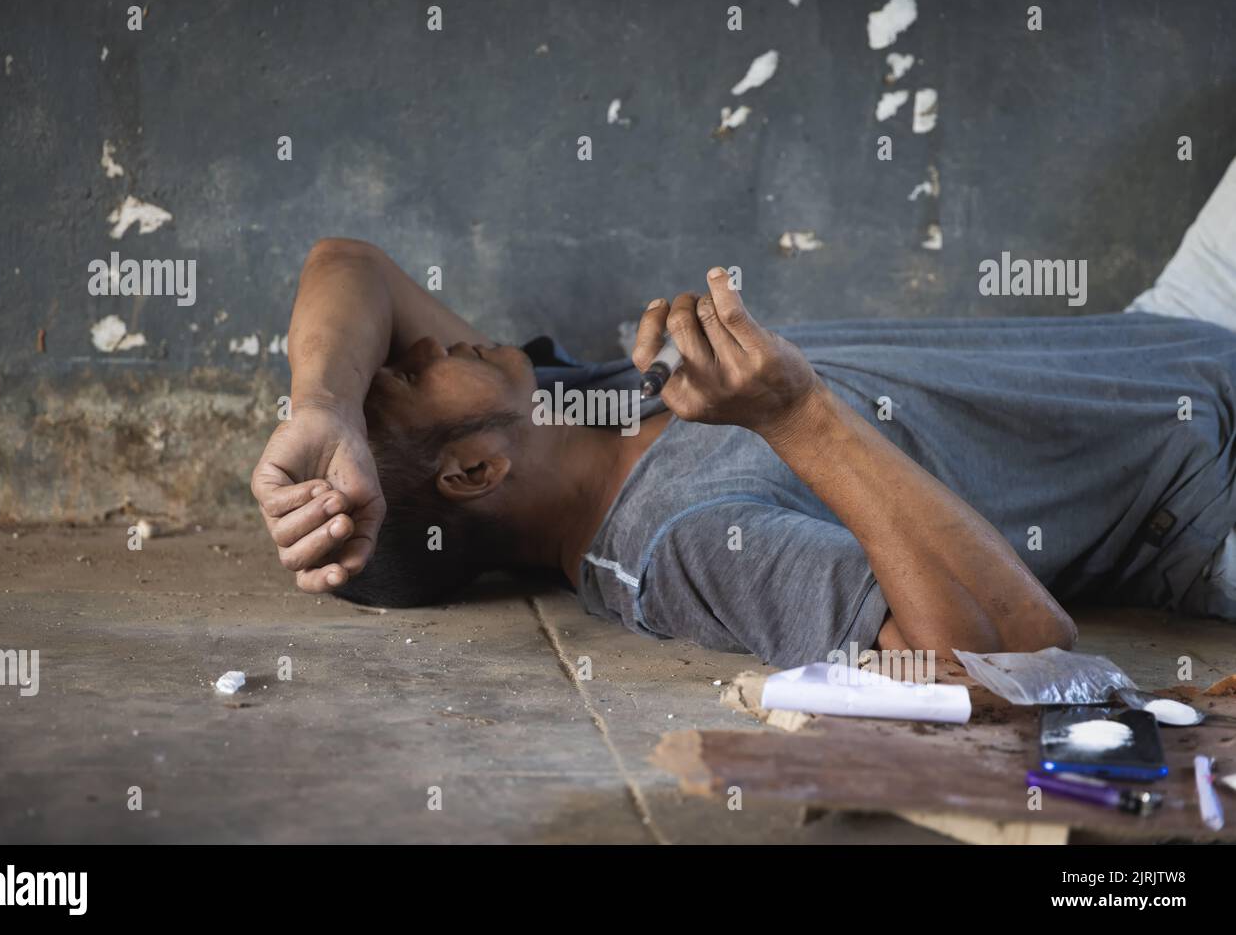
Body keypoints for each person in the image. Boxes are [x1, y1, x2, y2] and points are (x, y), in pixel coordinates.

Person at [250, 158, 1236, 668]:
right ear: (472, 472)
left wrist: (328, 406)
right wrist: (793, 416)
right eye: (406, 377)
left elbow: (350, 263)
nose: (420, 341)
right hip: (1206, 494)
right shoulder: (678, 541)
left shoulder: (585, 398)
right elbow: (1006, 656)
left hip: (1173, 334)